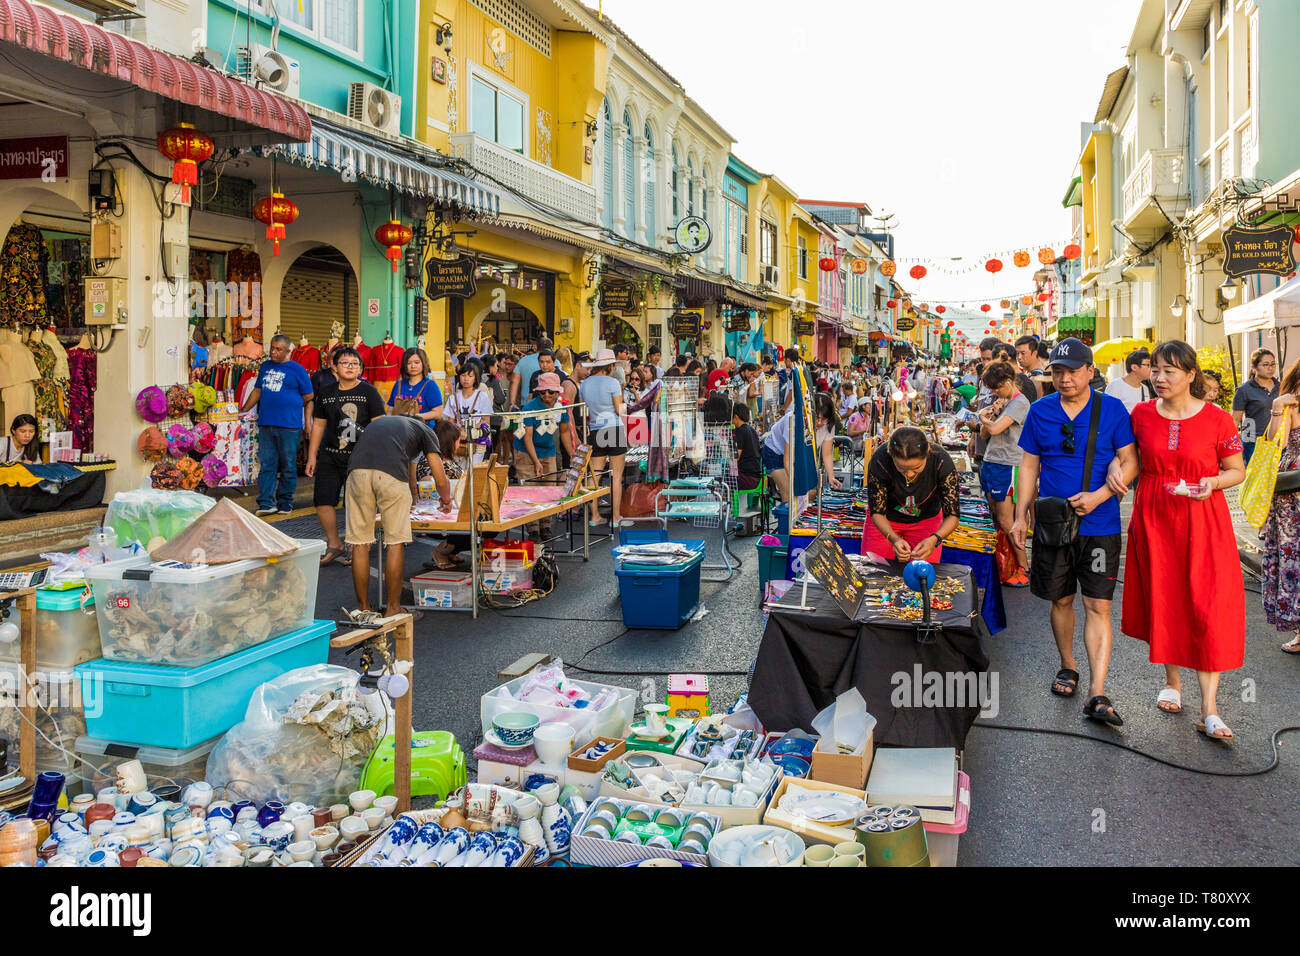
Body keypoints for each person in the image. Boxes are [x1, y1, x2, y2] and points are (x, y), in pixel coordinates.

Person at [1113, 341, 1246, 740]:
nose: (1159, 378)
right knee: (1165, 599)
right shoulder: (1140, 414)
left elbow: (1236, 469)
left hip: (1204, 518)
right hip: (1153, 515)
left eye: (1169, 371)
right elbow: (1126, 456)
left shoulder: (1219, 420)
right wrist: (1113, 471)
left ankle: (1210, 708)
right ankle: (1172, 681)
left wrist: (1214, 481)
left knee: (1207, 604)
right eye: (1155, 369)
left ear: (1192, 375)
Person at [1011, 338, 1138, 726]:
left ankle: (1098, 690)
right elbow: (1029, 467)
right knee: (1061, 600)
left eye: (1072, 371)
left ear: (1090, 372)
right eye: (1058, 372)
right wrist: (1020, 517)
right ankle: (1068, 665)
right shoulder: (1040, 411)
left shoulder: (1112, 410)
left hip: (1099, 526)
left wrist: (1100, 495)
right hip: (1052, 525)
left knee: (1098, 605)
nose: (1064, 379)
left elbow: (1131, 462)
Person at [344, 415, 454, 621]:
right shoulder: (426, 431)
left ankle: (363, 609)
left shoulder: (382, 423)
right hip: (391, 475)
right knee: (395, 542)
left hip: (356, 472)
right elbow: (440, 476)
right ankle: (393, 608)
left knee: (360, 543)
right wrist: (446, 499)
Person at [305, 347, 386, 566]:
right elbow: (319, 425)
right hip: (330, 455)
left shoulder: (369, 391)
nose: (350, 367)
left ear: (361, 368)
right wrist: (312, 456)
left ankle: (357, 545)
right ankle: (335, 544)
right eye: (345, 363)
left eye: (355, 364)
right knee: (323, 501)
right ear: (334, 366)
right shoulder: (326, 392)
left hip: (360, 458)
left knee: (358, 504)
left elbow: (379, 425)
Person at [239, 333, 314, 516]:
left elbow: (309, 399)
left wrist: (308, 425)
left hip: (290, 426)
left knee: (288, 465)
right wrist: (242, 410)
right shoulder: (265, 367)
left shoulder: (298, 370)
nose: (273, 352)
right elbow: (257, 391)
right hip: (266, 424)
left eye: (278, 349)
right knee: (267, 464)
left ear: (289, 351)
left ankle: (285, 503)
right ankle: (266, 504)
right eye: (272, 348)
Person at [862, 426, 960, 564]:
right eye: (901, 468)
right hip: (885, 521)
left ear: (927, 454)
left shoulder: (941, 461)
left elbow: (953, 515)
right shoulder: (880, 460)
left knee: (921, 574)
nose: (909, 474)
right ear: (891, 456)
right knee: (874, 569)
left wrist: (934, 539)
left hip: (926, 522)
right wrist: (893, 538)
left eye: (916, 468)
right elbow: (877, 512)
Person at [978, 362, 1031, 586]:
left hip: (1008, 464)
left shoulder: (1019, 402)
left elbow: (995, 429)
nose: (994, 393)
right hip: (992, 460)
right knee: (996, 517)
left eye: (996, 388)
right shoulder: (1005, 401)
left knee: (1007, 520)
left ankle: (1024, 567)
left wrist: (984, 418)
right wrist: (988, 416)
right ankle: (1005, 562)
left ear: (1008, 382)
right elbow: (984, 434)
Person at [1263, 357, 1300, 656]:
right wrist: (1278, 405)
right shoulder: (1290, 403)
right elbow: (1274, 440)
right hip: (1294, 489)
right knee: (1293, 559)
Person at [580, 350, 627, 526]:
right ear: (610, 365)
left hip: (595, 430)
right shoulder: (613, 383)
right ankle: (616, 518)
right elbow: (618, 409)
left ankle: (594, 516)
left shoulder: (585, 384)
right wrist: (625, 405)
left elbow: (582, 410)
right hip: (613, 428)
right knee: (616, 476)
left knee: (595, 475)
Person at [1233, 348, 1279, 464]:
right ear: (1254, 367)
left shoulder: (1281, 387)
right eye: (1265, 365)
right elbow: (1235, 420)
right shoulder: (1244, 390)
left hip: (1278, 440)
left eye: (1273, 364)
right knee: (1255, 479)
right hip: (1253, 441)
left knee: (1279, 479)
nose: (1270, 368)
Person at [445, 362, 494, 466]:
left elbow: (486, 420)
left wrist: (470, 432)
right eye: (463, 375)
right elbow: (450, 421)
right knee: (460, 470)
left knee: (474, 469)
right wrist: (459, 432)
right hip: (459, 439)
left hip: (478, 440)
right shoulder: (453, 398)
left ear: (475, 378)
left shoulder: (482, 397)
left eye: (470, 376)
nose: (466, 379)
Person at [388, 348, 444, 428]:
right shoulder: (398, 384)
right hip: (398, 430)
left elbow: (438, 413)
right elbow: (390, 409)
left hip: (422, 430)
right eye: (409, 363)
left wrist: (413, 417)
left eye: (417, 362)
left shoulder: (430, 385)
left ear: (423, 363)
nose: (413, 366)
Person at [1104, 347, 1154, 414]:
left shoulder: (1145, 388)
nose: (1151, 368)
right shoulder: (1115, 386)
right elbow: (1107, 411)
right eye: (1148, 365)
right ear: (1134, 367)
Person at [511, 336, 551, 408]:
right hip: (548, 403)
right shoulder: (553, 362)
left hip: (526, 403)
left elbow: (514, 381)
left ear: (536, 347)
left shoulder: (523, 360)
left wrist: (512, 403)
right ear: (551, 348)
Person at [732, 402, 762, 491]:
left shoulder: (739, 431)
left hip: (747, 478)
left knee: (722, 480)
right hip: (756, 476)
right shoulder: (752, 430)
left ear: (736, 416)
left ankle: (726, 505)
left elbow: (736, 457)